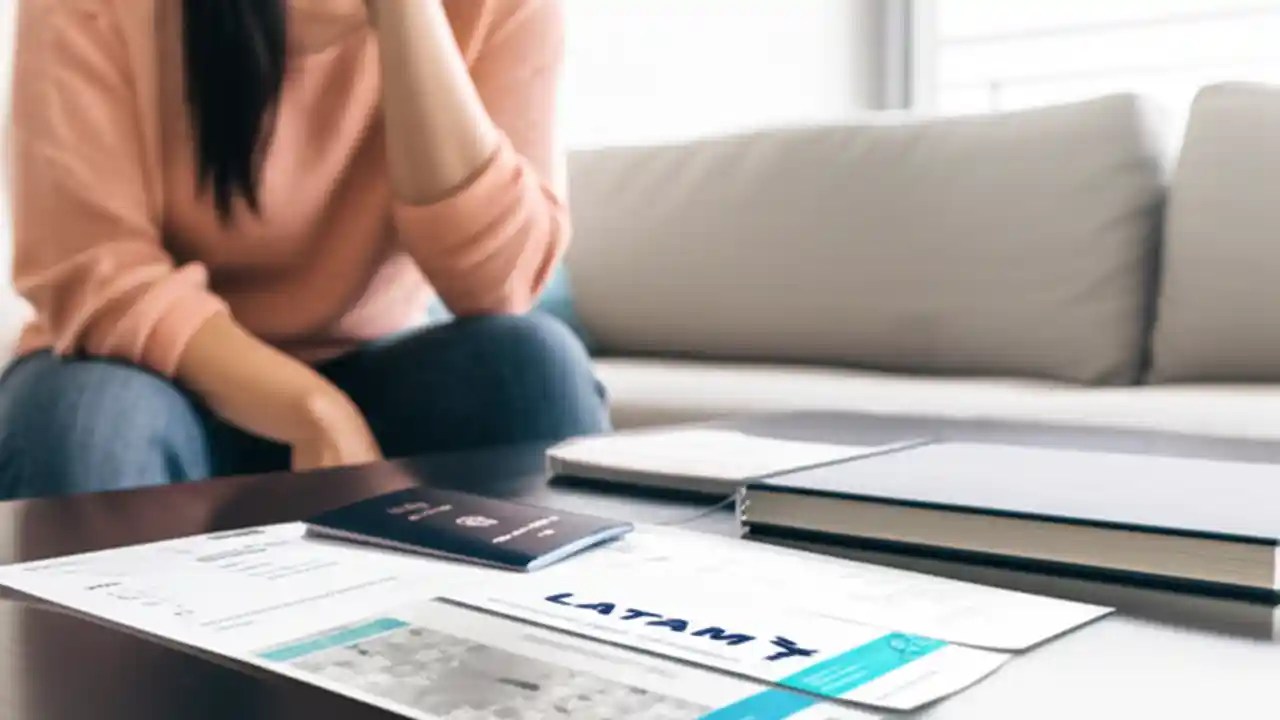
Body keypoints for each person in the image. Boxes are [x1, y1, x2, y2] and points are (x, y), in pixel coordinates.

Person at [0, 0, 608, 499]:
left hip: (374, 372)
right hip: (142, 373)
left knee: (534, 370)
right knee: (89, 422)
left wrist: (406, 14)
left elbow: (497, 284)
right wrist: (311, 407)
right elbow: (94, 268)